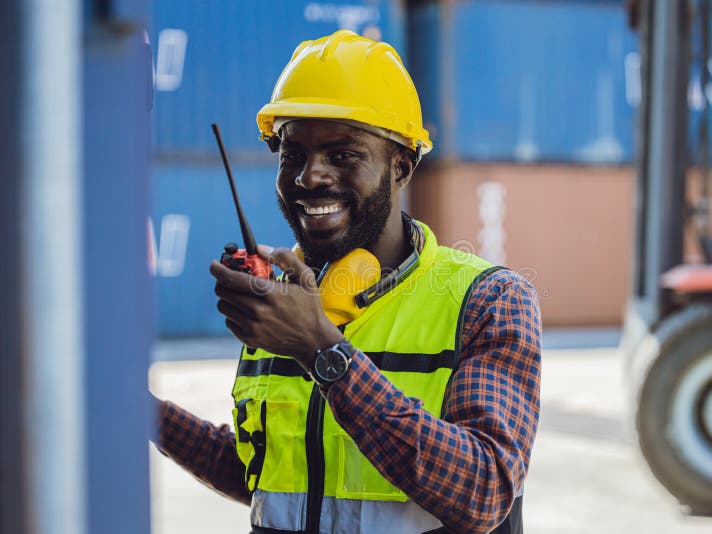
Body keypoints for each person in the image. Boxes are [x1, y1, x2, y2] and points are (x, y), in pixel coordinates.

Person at [154, 30, 541, 534]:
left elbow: (482, 492)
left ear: (400, 167)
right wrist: (144, 414)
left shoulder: (487, 300)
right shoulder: (284, 297)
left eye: (343, 155)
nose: (309, 177)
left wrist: (321, 350)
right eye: (292, 154)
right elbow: (266, 477)